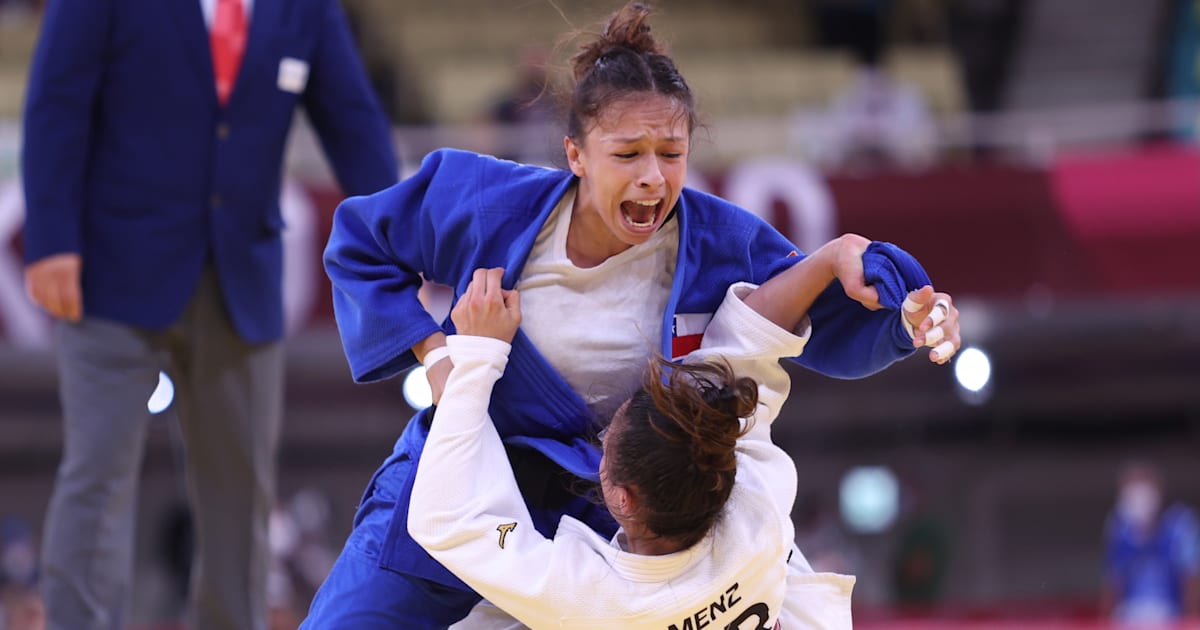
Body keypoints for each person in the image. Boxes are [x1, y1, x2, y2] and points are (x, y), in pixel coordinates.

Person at [304, 2, 960, 627]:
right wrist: (439, 356)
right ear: (575, 154)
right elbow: (361, 243)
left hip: (622, 515)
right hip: (472, 472)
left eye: (671, 153)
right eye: (627, 154)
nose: (653, 176)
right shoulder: (486, 202)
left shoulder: (722, 243)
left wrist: (906, 318)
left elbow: (818, 321)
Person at [20, 0, 398, 627]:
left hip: (242, 276)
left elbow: (352, 120)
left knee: (240, 492)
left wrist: (400, 236)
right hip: (111, 272)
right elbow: (57, 101)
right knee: (96, 477)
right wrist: (51, 238)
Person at [409, 260, 831, 628]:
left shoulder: (594, 602)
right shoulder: (756, 513)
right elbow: (753, 340)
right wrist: (831, 258)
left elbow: (446, 520)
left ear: (623, 499)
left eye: (605, 444)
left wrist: (475, 359)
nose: (601, 438)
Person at [1101, 461, 1200, 625]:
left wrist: (1190, 622)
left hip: (1171, 616)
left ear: (1158, 491)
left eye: (1143, 490)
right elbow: (1113, 581)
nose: (1137, 498)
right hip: (1128, 615)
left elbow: (1191, 580)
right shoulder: (1119, 527)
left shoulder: (1180, 525)